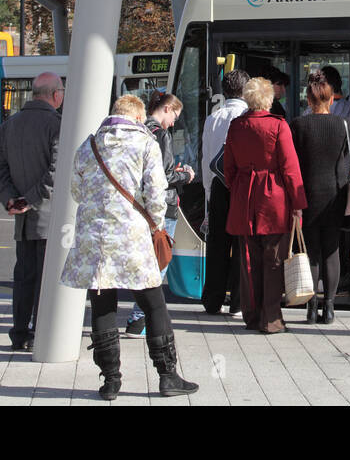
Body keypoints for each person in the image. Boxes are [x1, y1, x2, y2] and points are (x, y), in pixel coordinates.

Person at [61, 94, 197, 399]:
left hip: (94, 239)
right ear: (138, 118)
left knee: (102, 304)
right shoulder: (146, 144)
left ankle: (110, 381)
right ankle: (167, 375)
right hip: (133, 238)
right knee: (153, 303)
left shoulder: (89, 146)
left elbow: (76, 190)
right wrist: (156, 226)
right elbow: (156, 192)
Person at [223, 77, 306, 334]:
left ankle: (251, 315)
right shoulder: (278, 126)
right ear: (269, 99)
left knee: (248, 261)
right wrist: (298, 203)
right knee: (273, 261)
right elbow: (290, 168)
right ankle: (271, 319)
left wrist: (238, 187)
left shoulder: (236, 126)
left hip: (244, 198)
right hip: (274, 199)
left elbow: (228, 168)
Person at [0, 72, 63, 352]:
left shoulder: (10, 125)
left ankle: (19, 332)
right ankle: (40, 331)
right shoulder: (56, 125)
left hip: (22, 221)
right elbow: (56, 172)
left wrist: (12, 200)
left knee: (23, 278)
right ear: (55, 94)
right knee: (46, 280)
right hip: (48, 218)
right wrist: (30, 200)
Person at [126, 90, 195, 335]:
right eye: (175, 115)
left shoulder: (140, 130)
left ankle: (139, 317)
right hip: (163, 207)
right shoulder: (161, 135)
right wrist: (186, 175)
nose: (175, 121)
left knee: (146, 262)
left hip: (140, 206)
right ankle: (139, 318)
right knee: (159, 263)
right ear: (166, 109)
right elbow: (164, 177)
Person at [289, 72, 350, 324]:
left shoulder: (298, 125)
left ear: (308, 100)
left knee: (311, 251)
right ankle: (330, 307)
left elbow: (293, 165)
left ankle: (311, 308)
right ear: (331, 99)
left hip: (307, 196)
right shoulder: (340, 125)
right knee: (332, 252)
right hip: (334, 195)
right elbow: (345, 165)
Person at [200, 68, 249, 316]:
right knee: (242, 243)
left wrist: (209, 193)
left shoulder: (213, 118)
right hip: (242, 187)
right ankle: (238, 302)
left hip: (219, 186)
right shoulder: (248, 116)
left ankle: (212, 299)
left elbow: (207, 159)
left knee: (217, 244)